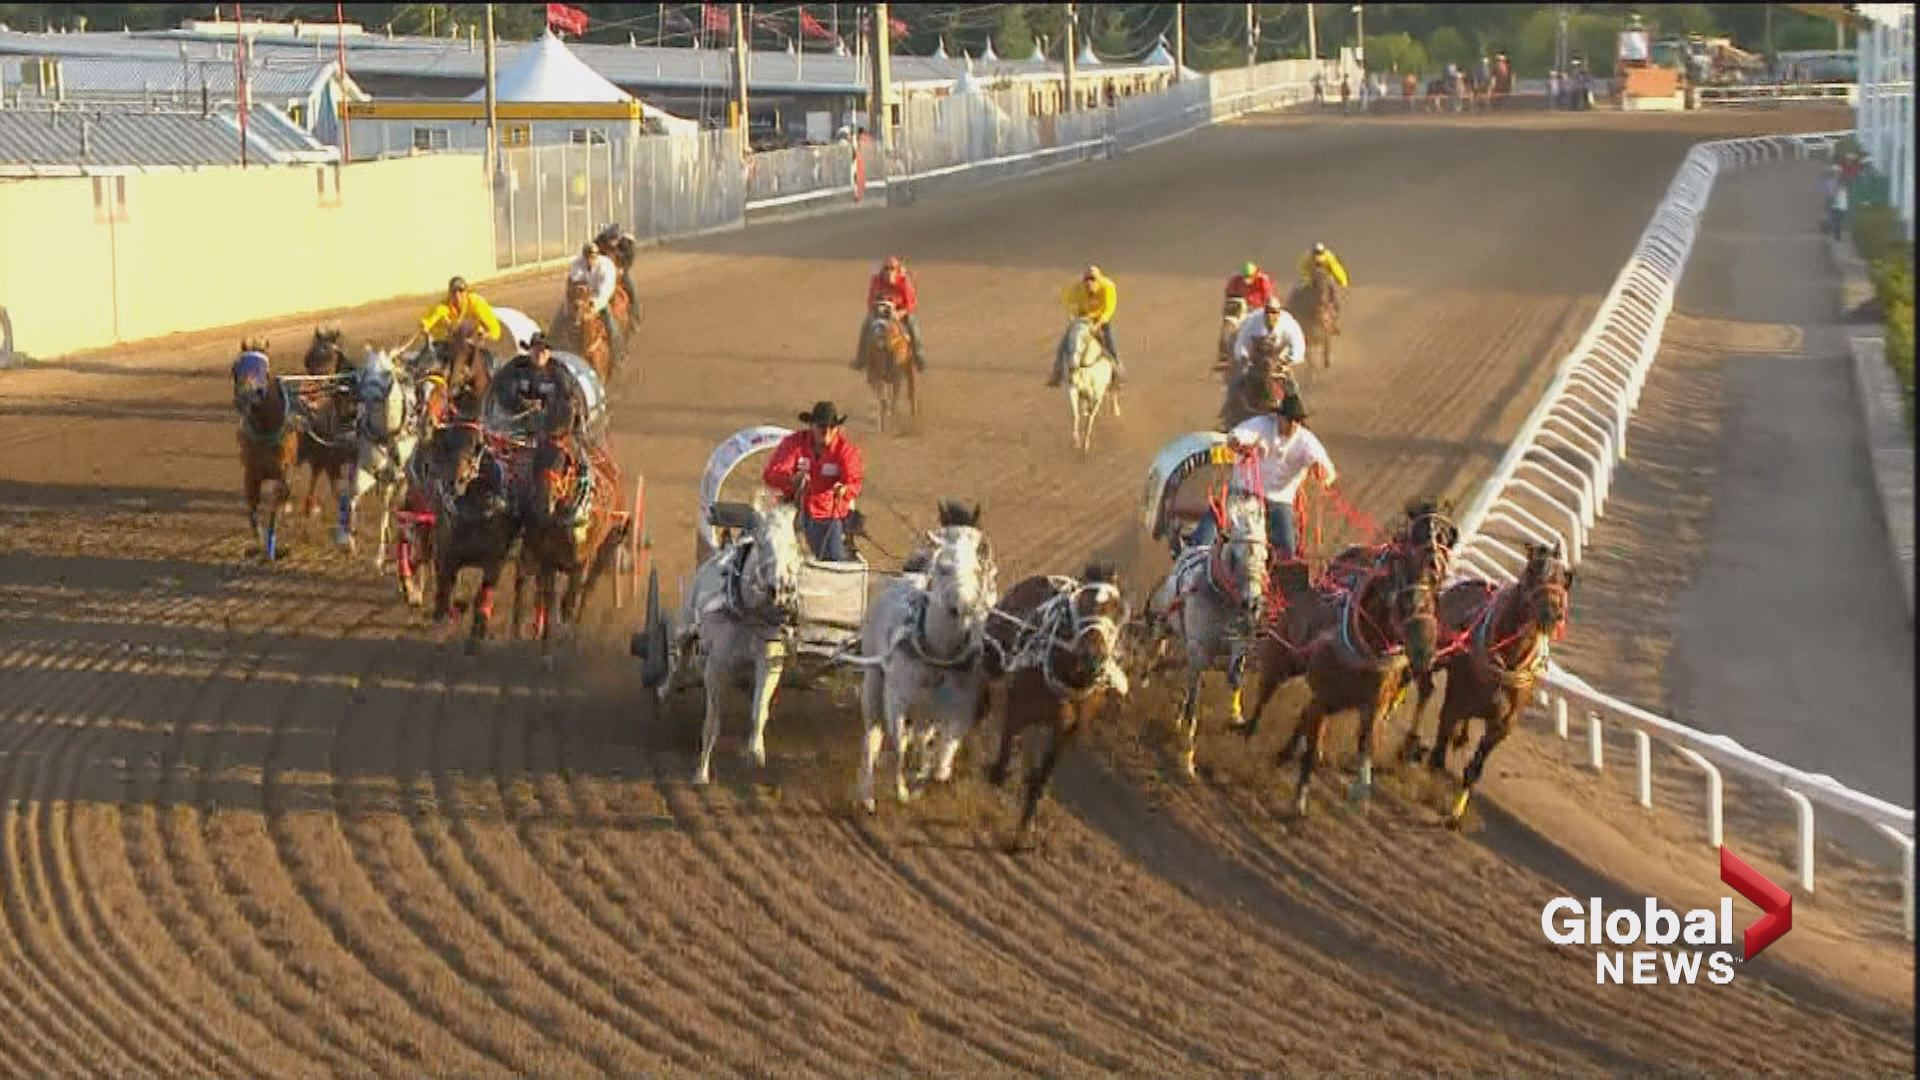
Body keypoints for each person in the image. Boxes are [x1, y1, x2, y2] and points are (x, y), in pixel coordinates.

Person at [1186, 394, 1336, 562]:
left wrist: (1320, 470)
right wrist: (1237, 443)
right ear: (1278, 417)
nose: (1293, 425)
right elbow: (1239, 435)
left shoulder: (1306, 441)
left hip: (1279, 501)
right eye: (1289, 419)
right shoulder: (1261, 425)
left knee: (1287, 547)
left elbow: (1323, 464)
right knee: (1216, 517)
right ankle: (1194, 554)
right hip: (1244, 492)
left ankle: (1283, 576)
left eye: (1297, 421)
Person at [763, 400, 865, 562]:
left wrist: (845, 489)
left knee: (834, 560)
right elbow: (772, 473)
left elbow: (855, 481)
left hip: (829, 514)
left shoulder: (846, 451)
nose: (827, 431)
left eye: (831, 427)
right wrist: (790, 479)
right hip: (792, 509)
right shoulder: (794, 443)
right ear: (811, 426)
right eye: (822, 426)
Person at [1049, 265, 1125, 389]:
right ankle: (1056, 373)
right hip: (1082, 317)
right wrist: (1072, 316)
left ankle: (1118, 374)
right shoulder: (1077, 288)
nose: (1089, 283)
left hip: (1101, 318)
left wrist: (1098, 324)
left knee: (1111, 345)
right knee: (1064, 344)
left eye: (1093, 280)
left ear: (1098, 280)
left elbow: (1109, 309)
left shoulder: (1108, 287)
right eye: (1087, 280)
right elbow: (1067, 300)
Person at [850, 256, 928, 372]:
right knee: (866, 324)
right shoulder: (877, 280)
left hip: (901, 311)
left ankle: (919, 357)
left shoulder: (904, 281)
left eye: (892, 269)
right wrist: (874, 307)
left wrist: (901, 312)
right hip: (881, 309)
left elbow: (911, 304)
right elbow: (871, 299)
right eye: (886, 268)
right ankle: (861, 359)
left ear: (897, 270)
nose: (889, 272)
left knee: (913, 326)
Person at [409, 276, 504, 360]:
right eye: (454, 292)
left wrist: (485, 335)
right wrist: (425, 329)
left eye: (461, 291)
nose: (457, 296)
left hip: (472, 346)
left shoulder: (476, 303)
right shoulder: (443, 306)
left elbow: (495, 330)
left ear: (466, 292)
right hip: (447, 347)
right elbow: (425, 323)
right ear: (449, 293)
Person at [563, 242, 621, 357]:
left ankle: (617, 353)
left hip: (600, 298)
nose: (589, 260)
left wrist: (594, 304)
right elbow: (575, 280)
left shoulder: (606, 266)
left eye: (592, 257)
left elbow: (605, 291)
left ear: (597, 256)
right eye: (587, 257)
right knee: (561, 319)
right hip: (582, 298)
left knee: (610, 324)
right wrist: (578, 296)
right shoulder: (577, 264)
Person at [1231, 295, 1307, 370]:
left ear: (1279, 313)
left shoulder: (1288, 322)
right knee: (1239, 379)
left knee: (1292, 381)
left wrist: (1290, 360)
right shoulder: (1252, 321)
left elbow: (1298, 344)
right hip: (1254, 362)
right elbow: (1240, 342)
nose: (1270, 316)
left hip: (1280, 363)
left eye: (1274, 312)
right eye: (1267, 312)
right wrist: (1243, 358)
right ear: (1264, 312)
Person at [593, 223, 641, 334]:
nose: (612, 243)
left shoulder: (627, 243)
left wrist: (622, 268)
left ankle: (635, 319)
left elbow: (629, 259)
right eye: (610, 240)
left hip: (620, 269)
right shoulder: (598, 242)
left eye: (615, 240)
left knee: (632, 289)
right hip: (602, 271)